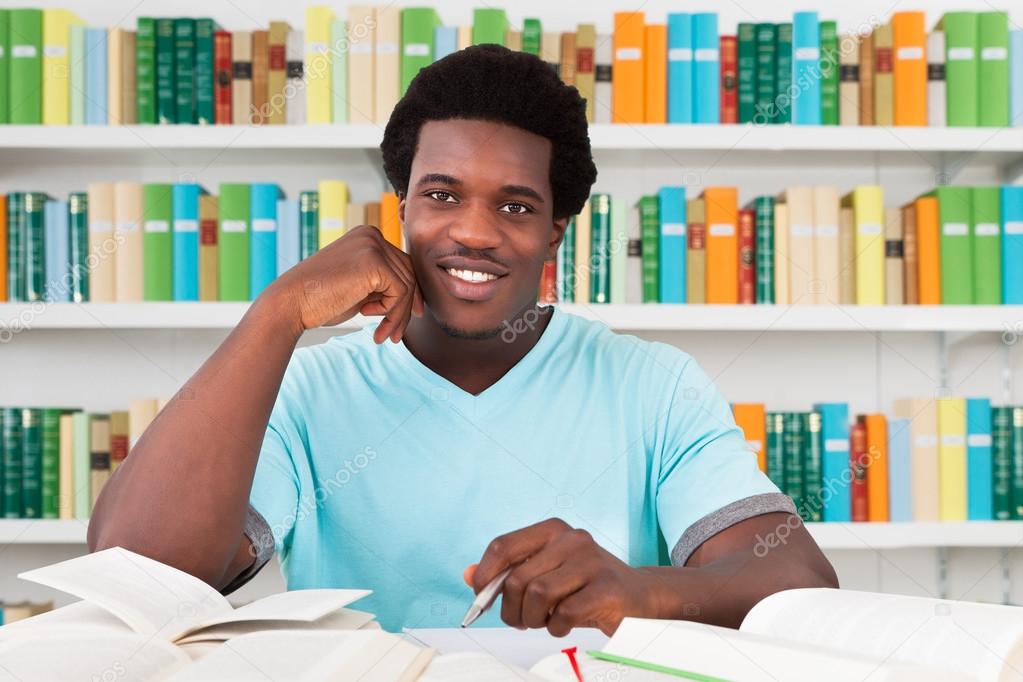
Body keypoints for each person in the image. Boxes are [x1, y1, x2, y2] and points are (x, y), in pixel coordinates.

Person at [88, 44, 837, 636]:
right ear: (402, 207)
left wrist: (642, 588)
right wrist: (276, 312)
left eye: (515, 206)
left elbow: (796, 579)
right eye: (441, 195)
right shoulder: (302, 388)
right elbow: (140, 568)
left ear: (555, 233)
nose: (473, 232)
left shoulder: (652, 385)